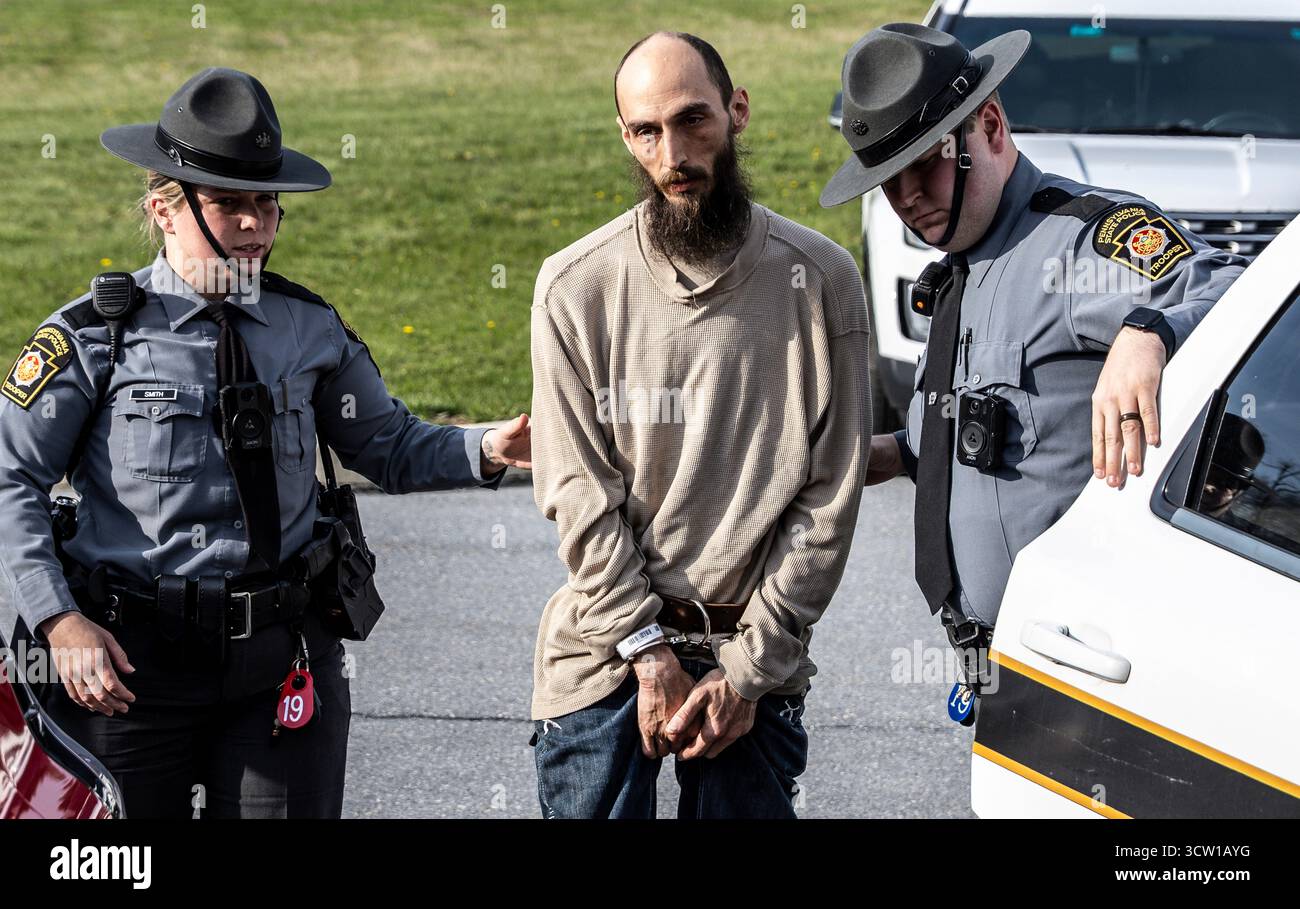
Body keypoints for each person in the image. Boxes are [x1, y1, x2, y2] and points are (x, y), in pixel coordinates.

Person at [0, 67, 532, 818]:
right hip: (126, 670)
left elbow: (387, 445)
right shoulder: (93, 336)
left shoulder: (308, 328)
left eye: (267, 204)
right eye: (229, 203)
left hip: (278, 660)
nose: (254, 225)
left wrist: (491, 448)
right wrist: (58, 622)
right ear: (164, 208)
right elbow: (11, 480)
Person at [822, 24, 1246, 697]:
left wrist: (1149, 331)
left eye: (924, 163)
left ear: (989, 126)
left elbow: (1241, 292)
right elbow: (975, 436)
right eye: (887, 179)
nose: (906, 196)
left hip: (1084, 667)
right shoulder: (961, 267)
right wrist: (882, 454)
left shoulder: (1081, 240)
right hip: (998, 668)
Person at [527, 32, 869, 819]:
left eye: (693, 121)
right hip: (605, 652)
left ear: (737, 110)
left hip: (756, 658)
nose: (673, 154)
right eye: (647, 131)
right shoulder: (574, 287)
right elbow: (578, 495)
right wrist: (646, 650)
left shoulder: (822, 281)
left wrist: (748, 672)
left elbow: (828, 502)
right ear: (625, 137)